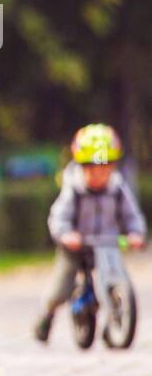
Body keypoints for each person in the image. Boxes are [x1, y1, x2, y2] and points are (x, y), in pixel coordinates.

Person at [34, 123, 146, 342]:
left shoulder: (117, 190)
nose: (99, 175)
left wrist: (136, 233)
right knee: (62, 287)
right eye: (93, 170)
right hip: (77, 245)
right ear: (82, 168)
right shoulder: (74, 190)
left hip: (106, 244)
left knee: (115, 275)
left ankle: (113, 319)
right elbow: (58, 216)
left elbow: (131, 215)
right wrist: (66, 234)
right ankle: (46, 315)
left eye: (105, 169)